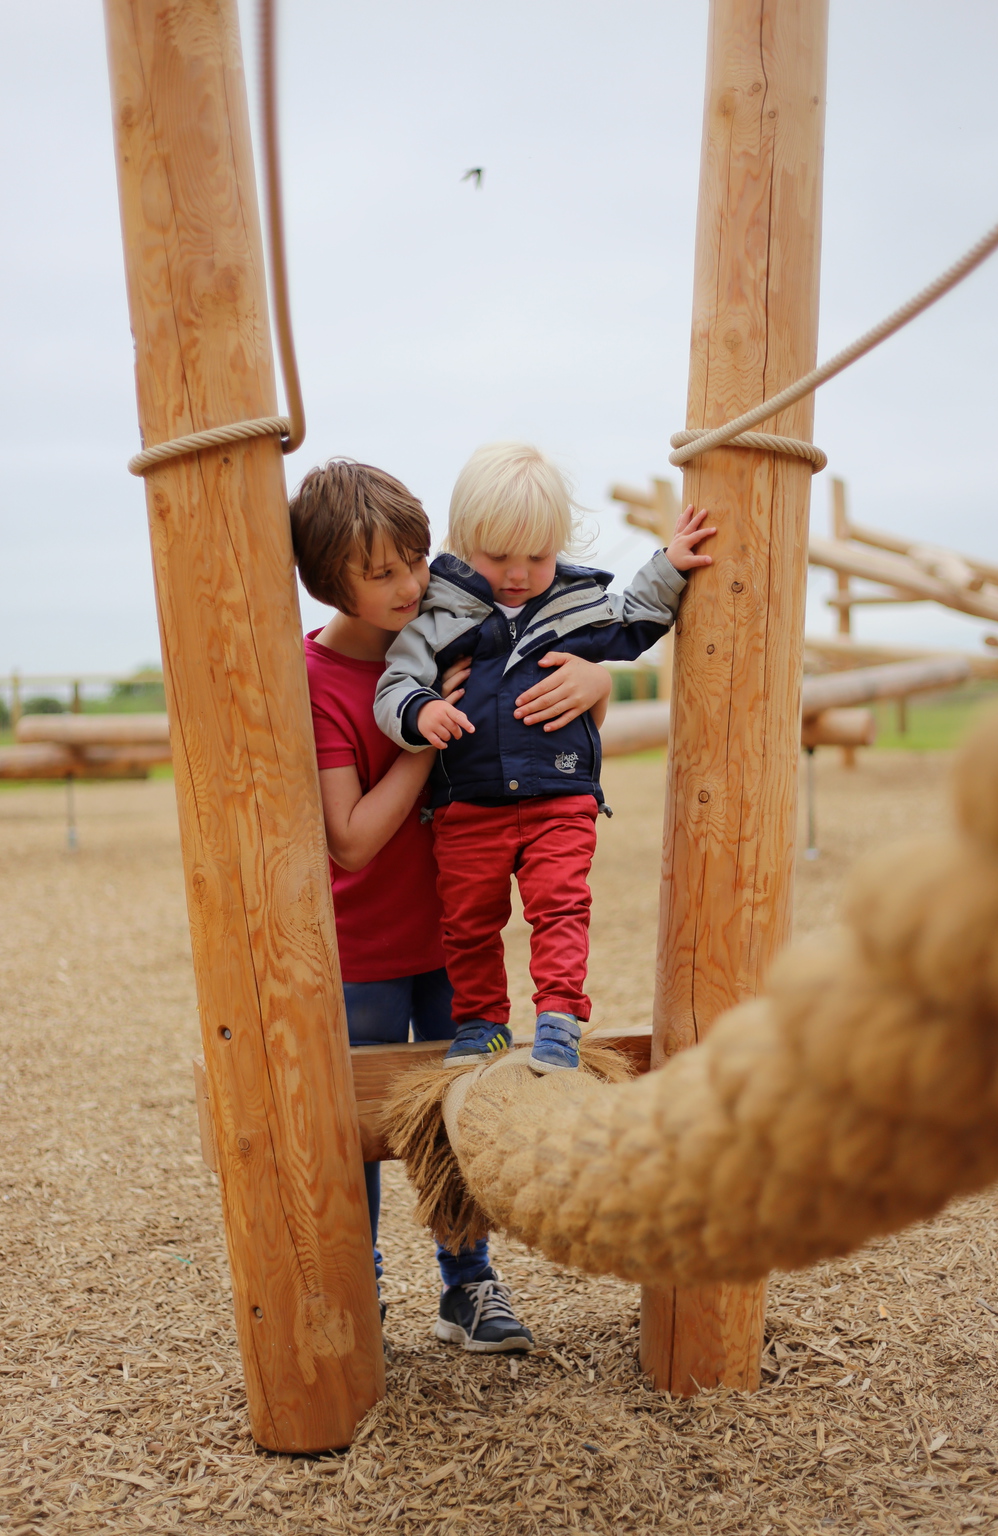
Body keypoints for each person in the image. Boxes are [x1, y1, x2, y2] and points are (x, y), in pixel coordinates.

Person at [288, 457, 613, 1353]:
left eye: (417, 561)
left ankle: (468, 1284)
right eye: (382, 572)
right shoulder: (312, 681)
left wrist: (599, 681)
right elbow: (350, 837)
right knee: (353, 1129)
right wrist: (430, 741)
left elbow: (552, 667)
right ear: (329, 580)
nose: (410, 584)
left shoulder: (452, 630)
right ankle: (361, 1284)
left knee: (459, 1104)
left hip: (449, 938)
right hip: (362, 950)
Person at [374, 441, 715, 1074]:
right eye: (498, 555)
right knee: (469, 920)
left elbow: (636, 616)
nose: (519, 572)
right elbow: (395, 684)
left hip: (560, 796)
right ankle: (483, 1023)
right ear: (462, 542)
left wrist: (668, 564)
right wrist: (421, 712)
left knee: (561, 906)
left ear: (558, 543)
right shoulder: (438, 615)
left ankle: (559, 1018)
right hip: (466, 803)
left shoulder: (573, 603)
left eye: (538, 555)